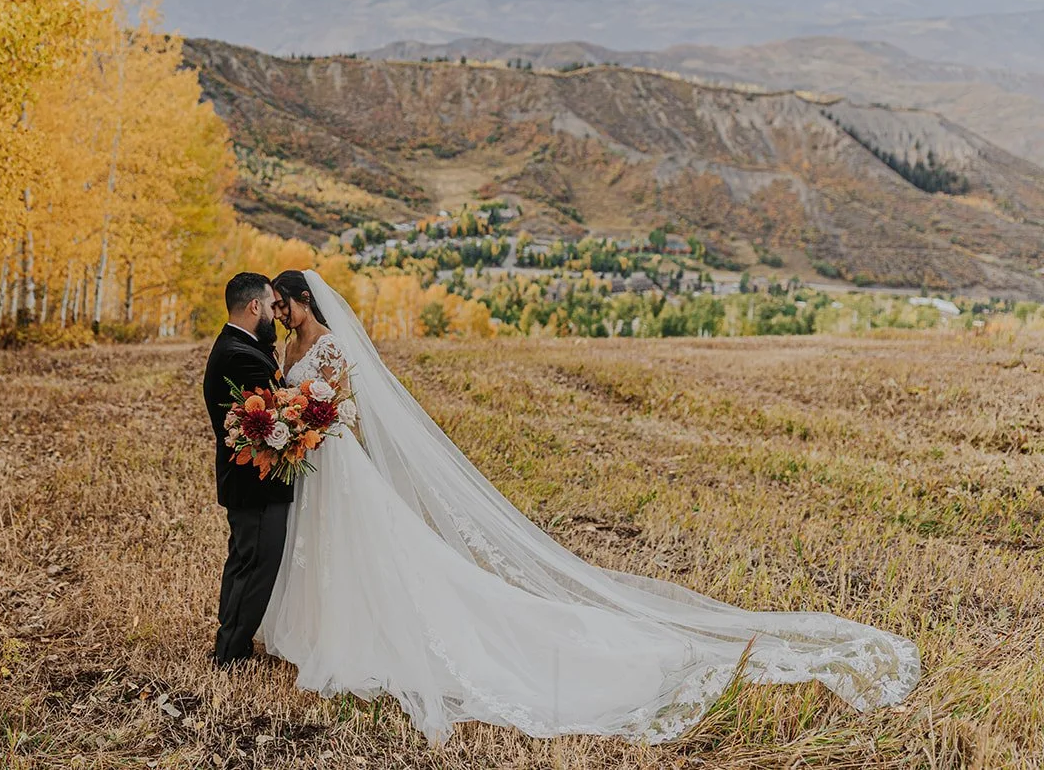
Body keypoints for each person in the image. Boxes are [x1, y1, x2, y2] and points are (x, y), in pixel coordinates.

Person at [256, 268, 919, 745]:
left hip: (337, 456)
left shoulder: (332, 344)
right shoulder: (285, 349)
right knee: (327, 551)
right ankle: (322, 628)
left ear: (301, 300)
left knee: (374, 546)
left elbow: (350, 406)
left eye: (283, 305)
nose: (279, 316)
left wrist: (319, 419)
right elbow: (300, 396)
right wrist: (293, 422)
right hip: (314, 464)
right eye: (277, 309)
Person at [202, 272, 291, 665]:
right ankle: (231, 652)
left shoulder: (240, 346)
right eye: (272, 306)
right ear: (255, 307)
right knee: (254, 565)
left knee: (245, 561)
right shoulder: (239, 355)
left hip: (250, 483)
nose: (276, 313)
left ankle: (232, 642)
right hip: (256, 483)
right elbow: (278, 417)